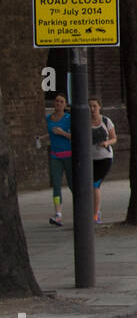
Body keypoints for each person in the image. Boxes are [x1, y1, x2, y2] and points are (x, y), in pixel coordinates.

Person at [88, 98, 116, 223]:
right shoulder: (84, 121)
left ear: (99, 107)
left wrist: (106, 142)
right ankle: (91, 212)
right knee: (89, 186)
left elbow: (114, 138)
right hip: (90, 159)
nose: (92, 109)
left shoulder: (106, 121)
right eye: (90, 106)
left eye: (94, 106)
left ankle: (96, 214)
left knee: (95, 185)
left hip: (104, 158)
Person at [45, 93, 72, 225]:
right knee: (56, 185)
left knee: (73, 184)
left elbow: (76, 136)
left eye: (61, 102)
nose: (58, 104)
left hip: (69, 155)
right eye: (56, 101)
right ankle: (58, 213)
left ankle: (83, 210)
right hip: (55, 155)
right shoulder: (48, 118)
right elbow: (48, 133)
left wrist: (62, 133)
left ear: (65, 104)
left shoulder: (69, 118)